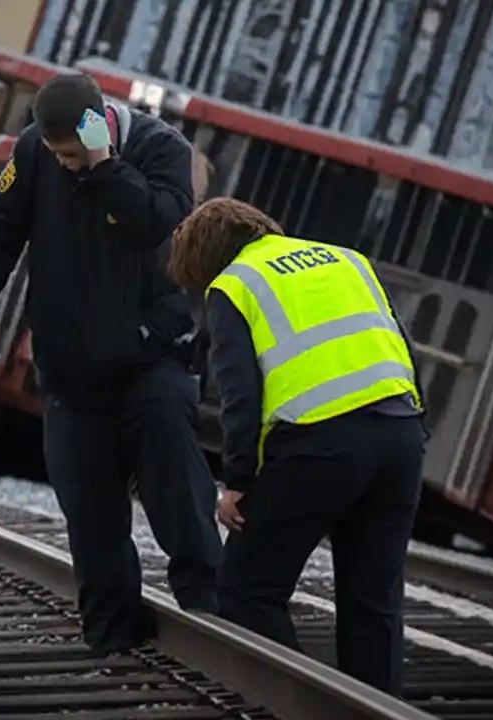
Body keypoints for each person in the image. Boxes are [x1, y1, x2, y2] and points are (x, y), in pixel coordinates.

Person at [0, 70, 222, 655]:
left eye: (74, 154)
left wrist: (106, 171)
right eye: (58, 156)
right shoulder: (35, 151)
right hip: (70, 371)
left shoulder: (161, 150)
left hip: (149, 360)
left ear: (100, 126)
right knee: (90, 513)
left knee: (175, 484)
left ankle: (210, 607)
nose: (66, 166)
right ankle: (112, 641)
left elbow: (162, 224)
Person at [166, 197, 427, 697]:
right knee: (373, 604)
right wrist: (418, 428)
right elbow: (403, 348)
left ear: (205, 261)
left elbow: (241, 395)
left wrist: (238, 483)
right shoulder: (348, 258)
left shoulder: (233, 285)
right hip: (400, 435)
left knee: (245, 590)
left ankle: (310, 707)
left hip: (320, 444)